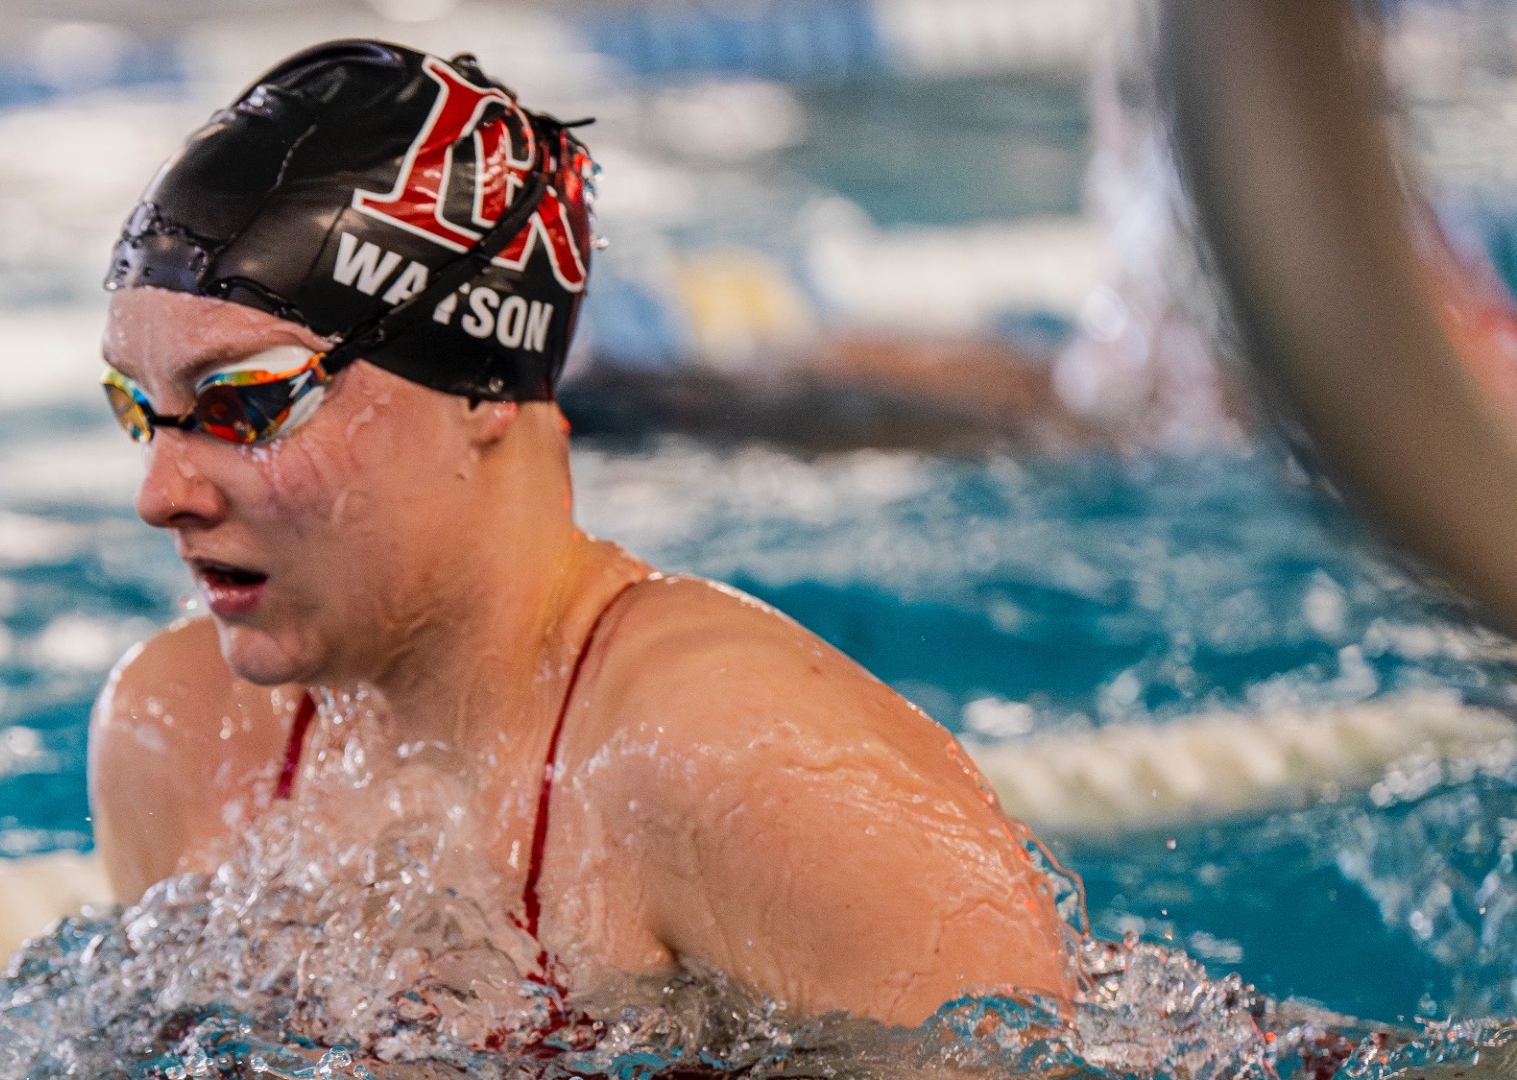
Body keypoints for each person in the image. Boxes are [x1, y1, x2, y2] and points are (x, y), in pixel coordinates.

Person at [89, 38, 1074, 1028]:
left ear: (477, 381)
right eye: (139, 407)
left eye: (247, 402)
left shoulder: (738, 760)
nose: (161, 491)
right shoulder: (180, 736)